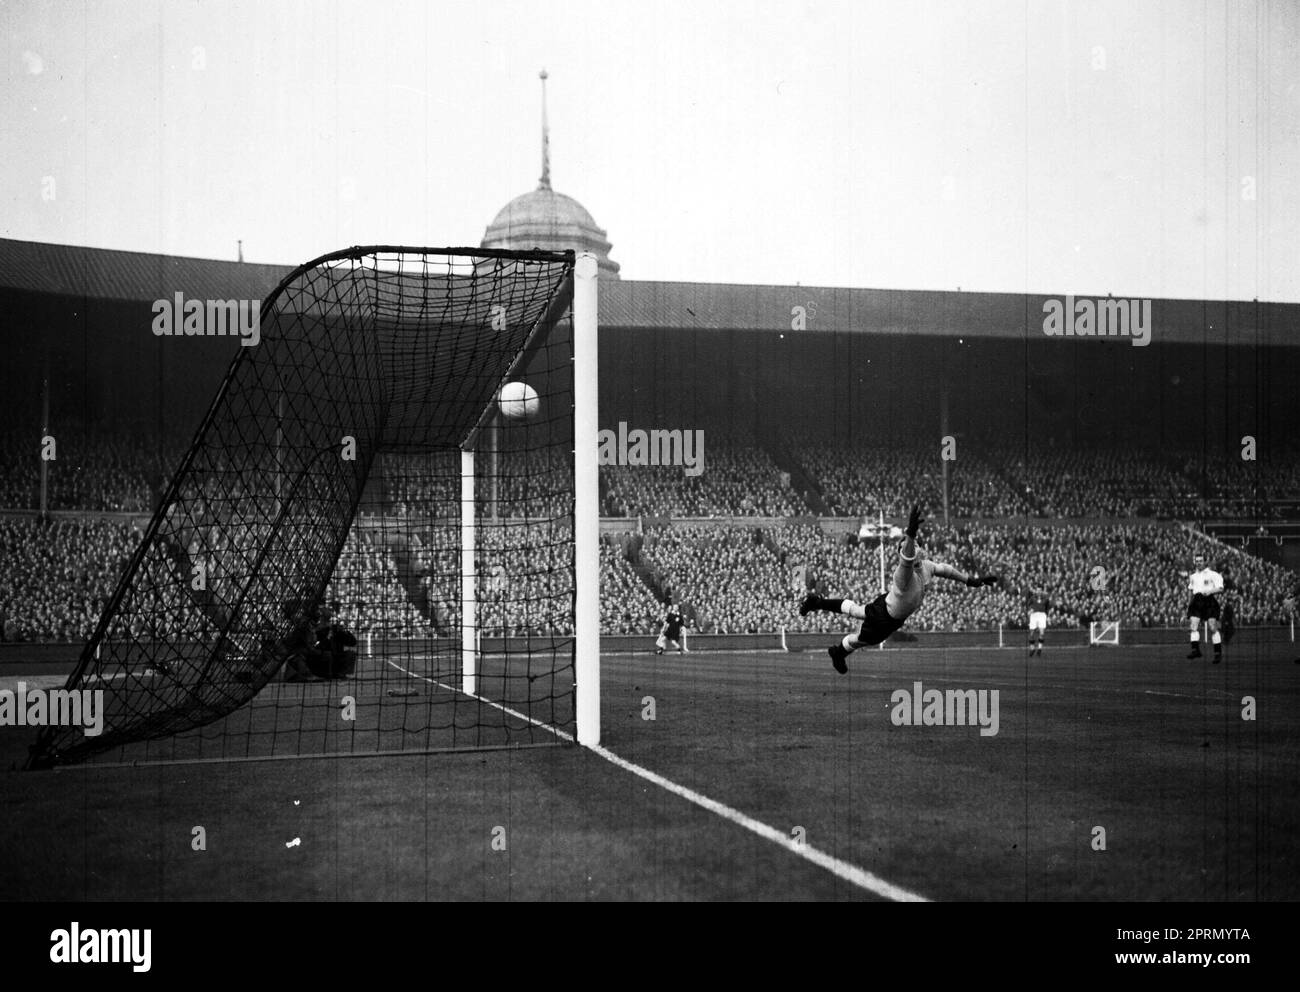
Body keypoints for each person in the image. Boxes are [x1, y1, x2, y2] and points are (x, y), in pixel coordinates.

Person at [799, 505, 999, 673]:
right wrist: (910, 534)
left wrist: (970, 580)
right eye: (907, 548)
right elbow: (907, 557)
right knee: (863, 639)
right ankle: (838, 651)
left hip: (889, 607)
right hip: (885, 616)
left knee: (858, 612)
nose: (912, 549)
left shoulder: (927, 566)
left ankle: (817, 603)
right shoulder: (903, 573)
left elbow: (945, 570)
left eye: (914, 545)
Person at [1185, 552, 1225, 663]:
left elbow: (1221, 588)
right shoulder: (1192, 576)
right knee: (1193, 626)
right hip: (1196, 601)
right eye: (1197, 561)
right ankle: (1195, 650)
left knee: (1212, 627)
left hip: (1209, 601)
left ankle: (1218, 653)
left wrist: (1210, 591)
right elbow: (1190, 590)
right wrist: (1189, 604)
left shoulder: (1213, 574)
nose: (1198, 563)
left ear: (1205, 561)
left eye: (1200, 561)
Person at [1028, 590, 1049, 657]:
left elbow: (1047, 608)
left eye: (1040, 590)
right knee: (1031, 633)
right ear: (1036, 591)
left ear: (1042, 591)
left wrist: (1047, 616)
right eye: (1038, 590)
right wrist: (1030, 609)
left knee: (1042, 633)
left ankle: (1039, 649)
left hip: (1042, 615)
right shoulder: (1032, 598)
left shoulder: (1046, 599)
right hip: (1034, 615)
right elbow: (1028, 605)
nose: (1039, 591)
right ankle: (1032, 648)